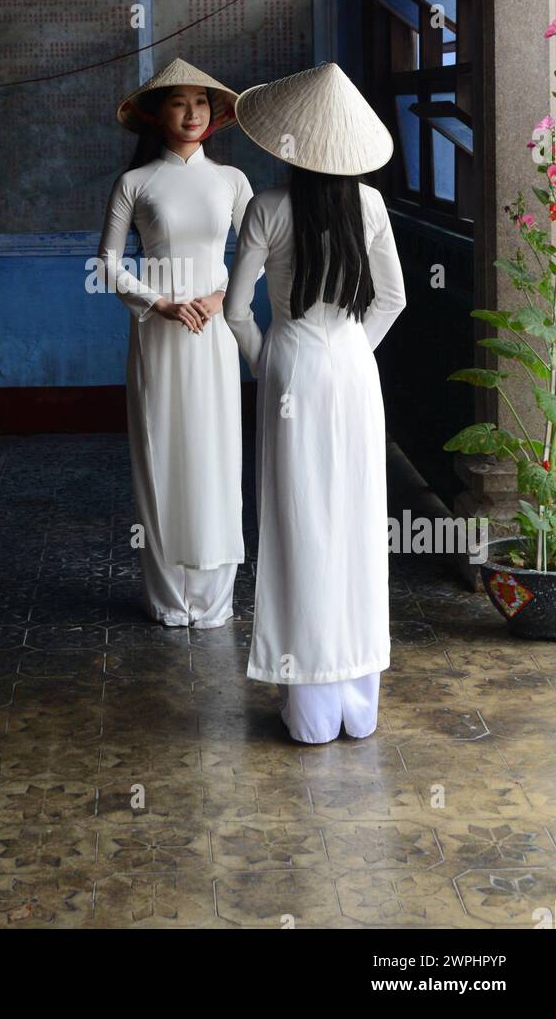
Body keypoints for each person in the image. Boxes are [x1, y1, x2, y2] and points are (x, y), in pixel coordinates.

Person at [223, 62, 406, 742]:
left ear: (286, 144)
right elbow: (392, 299)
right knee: (356, 527)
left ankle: (308, 711)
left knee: (297, 525)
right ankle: (356, 709)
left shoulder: (265, 208)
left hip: (291, 369)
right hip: (354, 371)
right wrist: (352, 350)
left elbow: (236, 308)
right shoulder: (371, 205)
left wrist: (265, 355)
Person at [97, 56, 259, 628]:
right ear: (155, 114)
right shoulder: (135, 183)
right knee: (161, 451)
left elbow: (259, 254)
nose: (191, 112)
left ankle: (214, 599)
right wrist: (160, 304)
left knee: (215, 453)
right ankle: (168, 597)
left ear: (213, 112)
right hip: (158, 335)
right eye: (177, 101)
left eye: (200, 101)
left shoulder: (233, 181)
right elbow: (108, 266)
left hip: (214, 333)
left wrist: (220, 299)